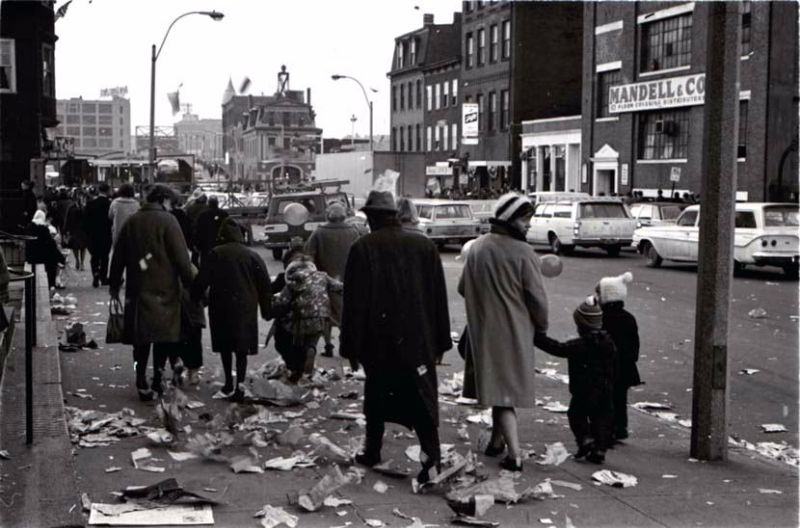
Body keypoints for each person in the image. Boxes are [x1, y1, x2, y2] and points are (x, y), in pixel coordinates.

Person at [340, 190, 452, 484]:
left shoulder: (363, 247)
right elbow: (438, 297)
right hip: (419, 340)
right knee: (424, 399)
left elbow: (354, 304)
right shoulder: (424, 246)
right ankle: (432, 458)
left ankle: (372, 450)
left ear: (373, 217)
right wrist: (442, 342)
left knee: (377, 396)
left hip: (379, 342)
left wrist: (351, 347)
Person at [458, 192, 548, 472]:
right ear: (510, 220)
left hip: (483, 331)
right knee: (506, 395)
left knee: (497, 390)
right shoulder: (524, 253)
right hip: (514, 332)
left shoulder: (477, 248)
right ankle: (515, 455)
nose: (528, 226)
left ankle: (497, 441)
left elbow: (463, 288)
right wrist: (541, 325)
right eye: (524, 220)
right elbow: (537, 298)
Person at [108, 184, 195, 401]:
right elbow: (182, 259)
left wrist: (114, 284)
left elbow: (118, 255)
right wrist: (192, 285)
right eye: (171, 202)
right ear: (163, 199)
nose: (171, 207)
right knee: (163, 340)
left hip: (137, 290)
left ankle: (140, 379)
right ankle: (157, 379)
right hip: (165, 291)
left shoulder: (132, 221)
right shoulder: (169, 221)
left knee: (140, 343)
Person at [193, 217, 271, 399]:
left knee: (225, 346)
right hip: (246, 306)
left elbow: (202, 280)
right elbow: (265, 285)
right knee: (241, 349)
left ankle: (228, 382)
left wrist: (195, 298)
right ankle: (241, 385)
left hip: (221, 305)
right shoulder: (252, 255)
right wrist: (266, 309)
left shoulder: (215, 253)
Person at [534, 296, 617, 464]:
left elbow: (557, 348)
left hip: (583, 390)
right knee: (601, 419)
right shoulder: (609, 343)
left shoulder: (580, 345)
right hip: (605, 388)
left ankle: (585, 439)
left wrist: (537, 338)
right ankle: (600, 449)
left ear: (582, 326)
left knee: (576, 415)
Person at [273, 253, 342, 381]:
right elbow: (338, 287)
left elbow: (282, 301)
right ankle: (311, 348)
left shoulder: (294, 279)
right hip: (321, 315)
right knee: (312, 338)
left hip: (300, 318)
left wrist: (274, 307)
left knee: (298, 342)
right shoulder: (322, 276)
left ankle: (297, 370)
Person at [304, 202, 361, 357]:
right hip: (348, 282)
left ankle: (328, 345)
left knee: (326, 315)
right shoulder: (353, 232)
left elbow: (308, 256)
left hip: (325, 280)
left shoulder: (319, 232)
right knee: (345, 314)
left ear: (328, 214)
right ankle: (345, 345)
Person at [595, 272, 641, 442]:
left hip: (607, 366)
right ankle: (620, 427)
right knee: (620, 398)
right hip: (626, 366)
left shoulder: (602, 318)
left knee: (606, 399)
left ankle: (608, 428)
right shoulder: (629, 318)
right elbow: (634, 343)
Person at [25, 210, 65, 289]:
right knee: (52, 261)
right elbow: (51, 246)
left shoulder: (29, 227)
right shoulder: (43, 229)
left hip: (31, 256)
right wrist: (61, 258)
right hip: (41, 256)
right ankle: (51, 285)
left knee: (51, 256)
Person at [85, 182, 113, 287]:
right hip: (106, 233)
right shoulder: (110, 204)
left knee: (95, 256)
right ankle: (103, 277)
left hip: (93, 234)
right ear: (107, 191)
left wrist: (87, 233)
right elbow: (111, 219)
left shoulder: (91, 204)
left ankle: (95, 273)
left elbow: (86, 220)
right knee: (105, 257)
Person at [193, 196, 229, 266]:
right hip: (220, 244)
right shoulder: (224, 214)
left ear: (208, 203)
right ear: (217, 203)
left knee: (206, 264)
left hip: (206, 244)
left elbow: (198, 230)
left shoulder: (203, 215)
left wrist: (197, 244)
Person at [63, 190, 89, 271]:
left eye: (81, 196)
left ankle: (82, 263)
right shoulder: (71, 207)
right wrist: (66, 230)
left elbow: (88, 217)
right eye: (78, 196)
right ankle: (77, 260)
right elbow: (68, 218)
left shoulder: (85, 206)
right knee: (75, 247)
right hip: (74, 228)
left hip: (83, 228)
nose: (80, 198)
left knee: (83, 247)